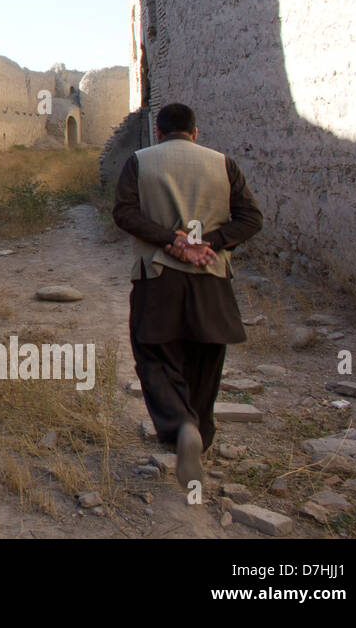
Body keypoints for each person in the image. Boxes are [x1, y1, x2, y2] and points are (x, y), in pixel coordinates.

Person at [112, 102, 264, 490]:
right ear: (195, 133)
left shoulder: (140, 161)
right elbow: (250, 219)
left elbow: (124, 214)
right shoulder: (223, 163)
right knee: (205, 358)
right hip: (211, 278)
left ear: (159, 132)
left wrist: (173, 240)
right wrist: (204, 242)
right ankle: (198, 428)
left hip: (157, 280)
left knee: (154, 357)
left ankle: (181, 427)